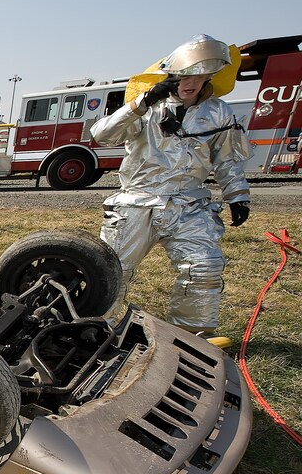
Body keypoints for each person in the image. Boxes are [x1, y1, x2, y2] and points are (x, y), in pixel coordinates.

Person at [90, 34, 250, 341]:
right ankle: (97, 329)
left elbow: (227, 160)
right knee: (112, 270)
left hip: (189, 204)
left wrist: (238, 195)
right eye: (186, 75)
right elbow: (101, 134)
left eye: (201, 76)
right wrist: (140, 104)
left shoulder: (219, 112)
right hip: (136, 202)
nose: (192, 83)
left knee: (204, 267)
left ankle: (193, 336)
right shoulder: (148, 106)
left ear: (210, 77)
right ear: (173, 75)